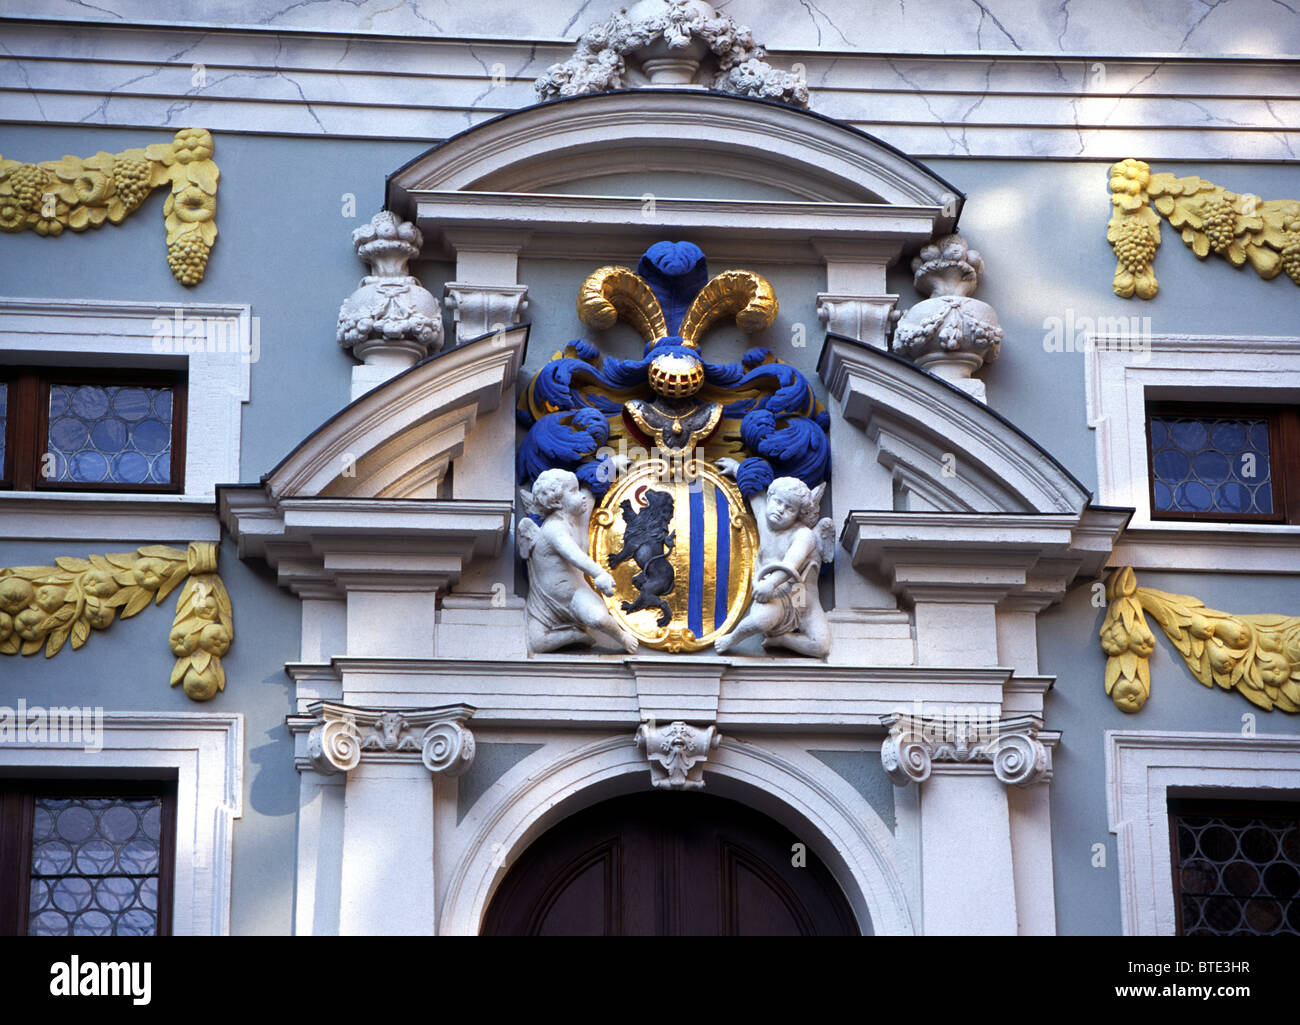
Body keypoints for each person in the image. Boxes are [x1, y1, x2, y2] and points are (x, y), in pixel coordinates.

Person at [714, 465, 833, 657]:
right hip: (776, 595)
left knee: (821, 646)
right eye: (778, 502)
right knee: (759, 621)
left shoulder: (803, 535)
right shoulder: (764, 515)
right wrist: (737, 468)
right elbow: (753, 489)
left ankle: (782, 640)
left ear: (798, 515)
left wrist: (769, 583)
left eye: (790, 508)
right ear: (770, 498)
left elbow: (790, 564)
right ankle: (733, 638)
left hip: (800, 596)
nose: (781, 510)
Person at [517, 468, 639, 654]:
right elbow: (574, 554)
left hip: (575, 596)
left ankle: (622, 637)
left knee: (598, 619)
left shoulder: (578, 515)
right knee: (537, 644)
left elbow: (590, 488)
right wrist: (599, 574)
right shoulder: (554, 528)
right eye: (573, 491)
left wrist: (610, 466)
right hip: (546, 606)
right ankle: (575, 635)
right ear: (556, 501)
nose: (580, 495)